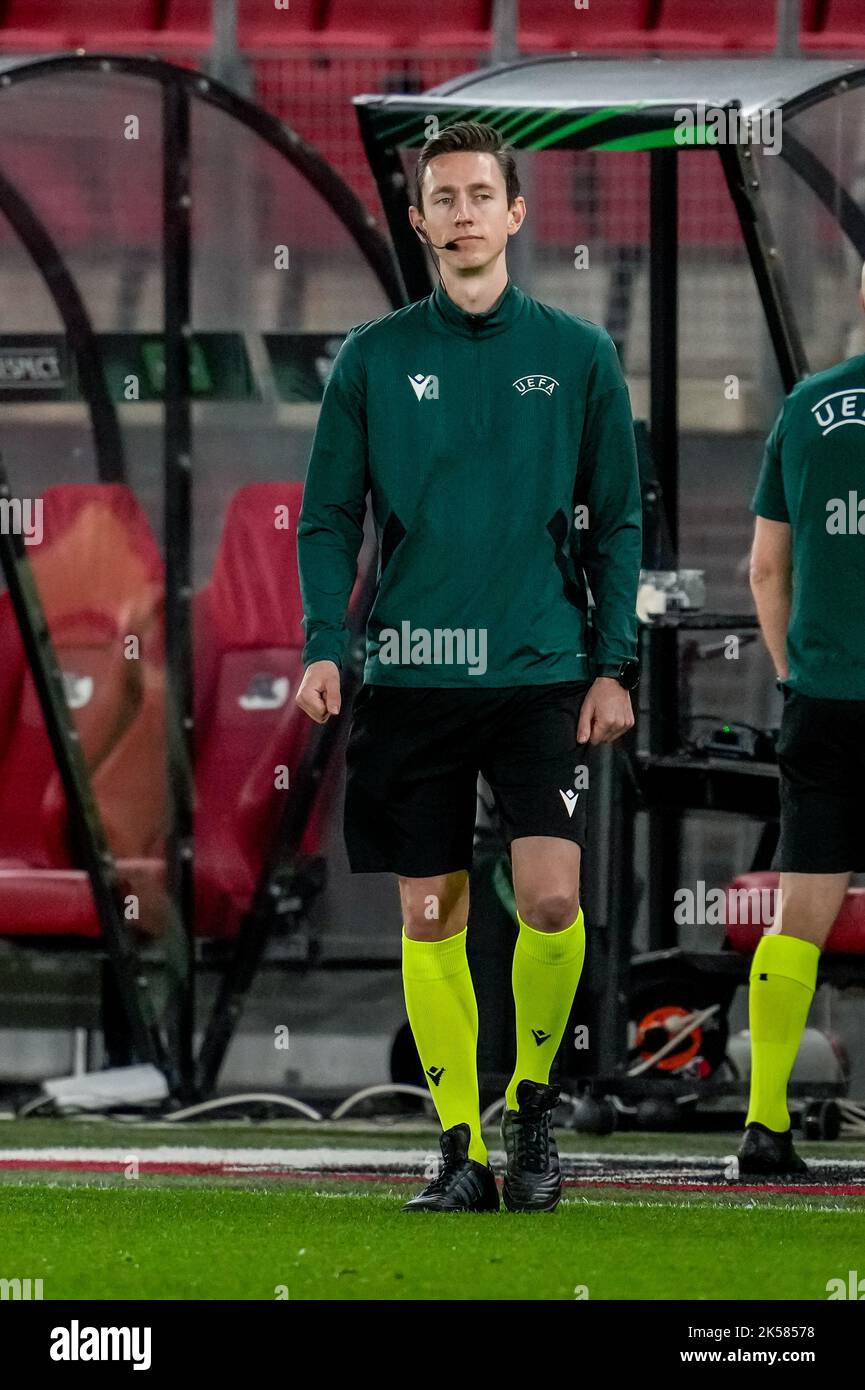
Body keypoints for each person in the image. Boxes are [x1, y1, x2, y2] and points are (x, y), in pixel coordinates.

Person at [295, 121, 642, 1212]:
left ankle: (534, 1103)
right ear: (420, 220)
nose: (461, 213)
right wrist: (324, 644)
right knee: (430, 915)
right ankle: (459, 1146)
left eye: (478, 195)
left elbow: (621, 523)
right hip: (410, 676)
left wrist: (612, 662)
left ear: (514, 213)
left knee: (548, 900)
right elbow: (326, 518)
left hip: (544, 670)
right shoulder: (373, 357)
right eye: (441, 198)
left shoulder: (581, 354)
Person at [743, 261, 865, 1175]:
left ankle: (764, 1124)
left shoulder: (807, 405)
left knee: (799, 920)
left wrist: (793, 673)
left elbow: (763, 571)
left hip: (821, 704)